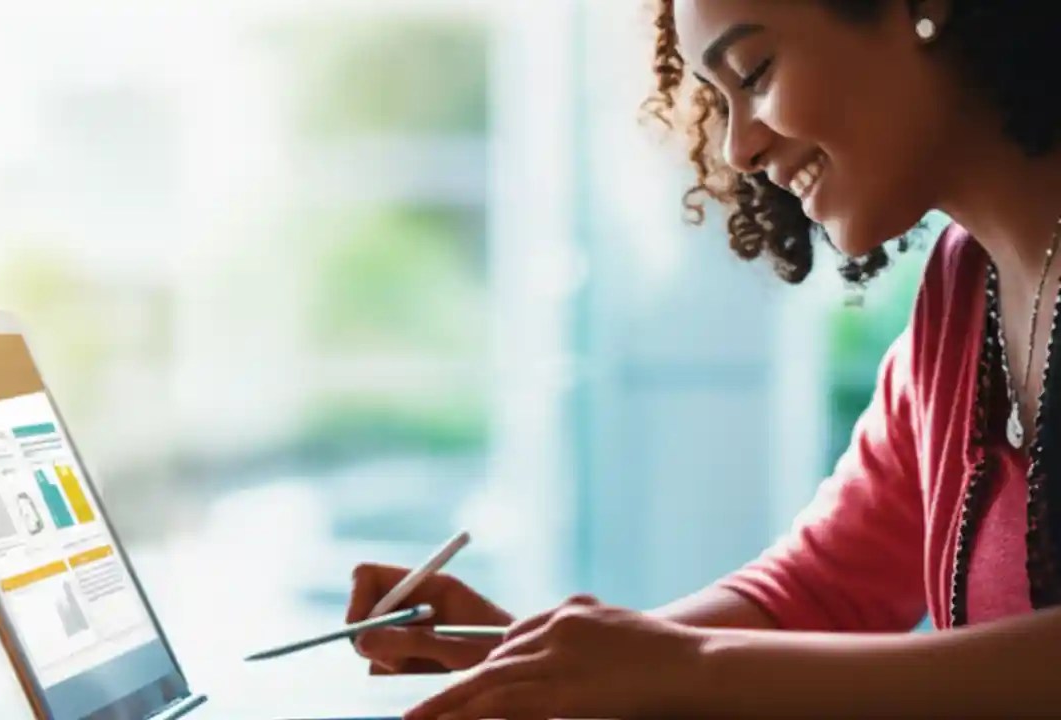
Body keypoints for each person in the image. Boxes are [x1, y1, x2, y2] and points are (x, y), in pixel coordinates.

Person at [345, 1, 1061, 717]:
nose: (737, 149)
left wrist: (694, 668)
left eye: (755, 71)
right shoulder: (959, 297)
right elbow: (813, 594)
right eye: (720, 100)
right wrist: (525, 657)